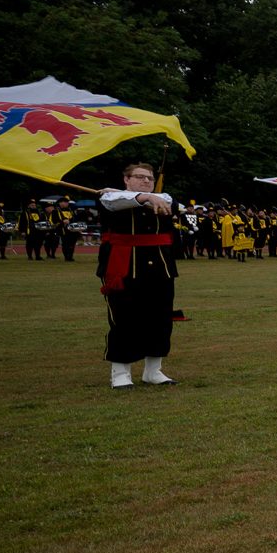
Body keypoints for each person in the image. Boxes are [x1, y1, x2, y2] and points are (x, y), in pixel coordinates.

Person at [96, 163, 180, 388]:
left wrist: (146, 196)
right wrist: (141, 196)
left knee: (160, 318)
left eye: (150, 178)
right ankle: (120, 373)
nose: (146, 181)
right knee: (125, 318)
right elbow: (114, 203)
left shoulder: (162, 197)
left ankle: (153, 371)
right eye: (140, 177)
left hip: (160, 267)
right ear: (126, 179)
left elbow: (168, 201)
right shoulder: (110, 198)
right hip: (124, 267)